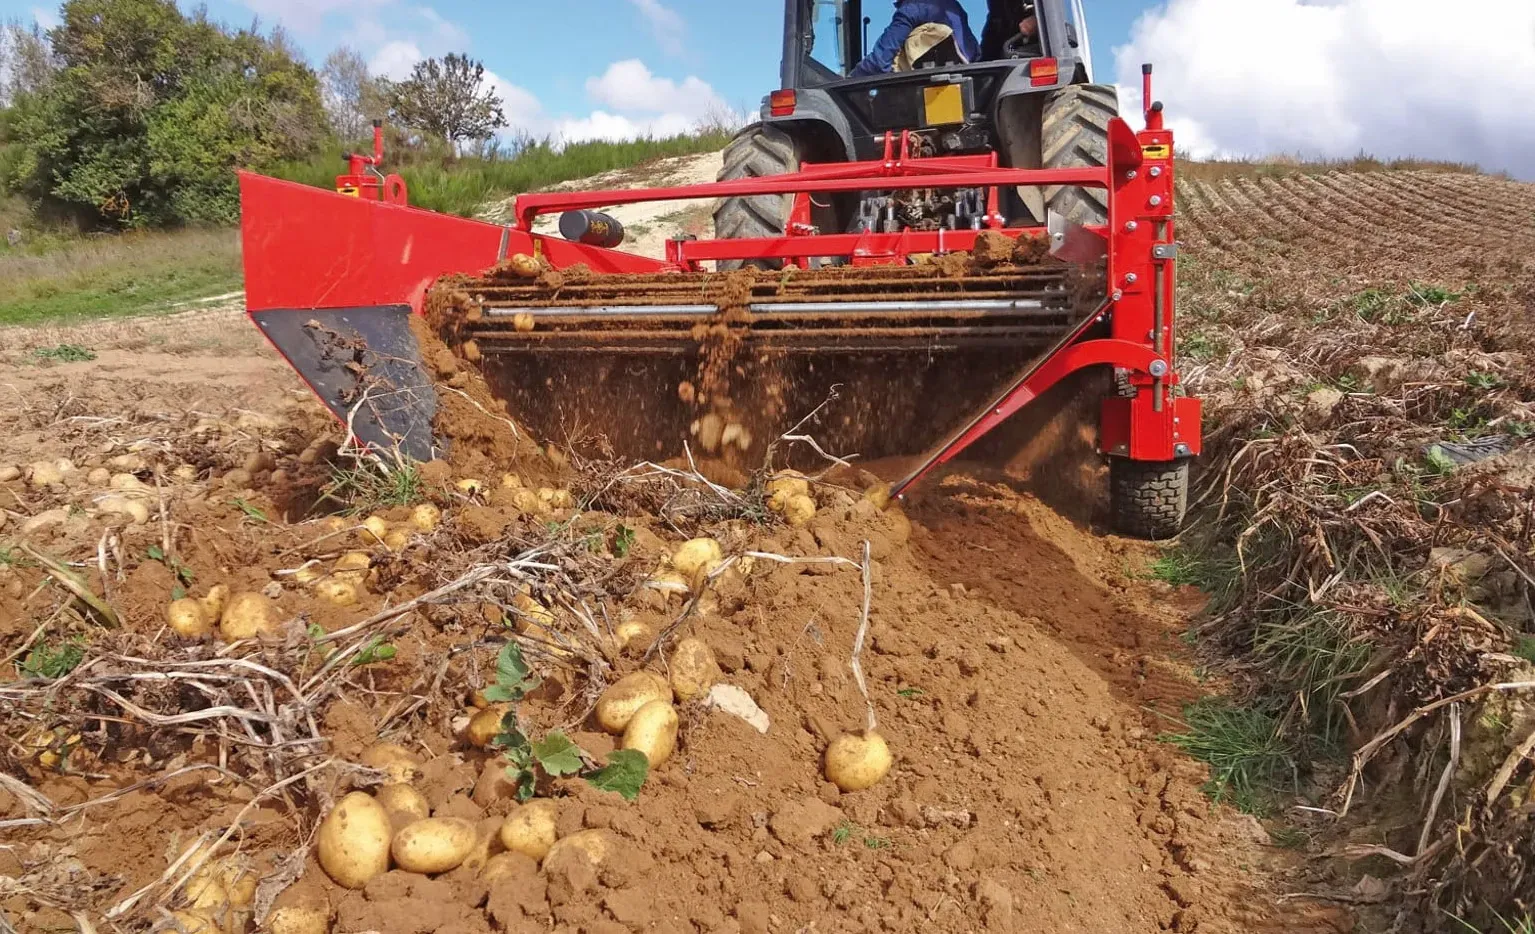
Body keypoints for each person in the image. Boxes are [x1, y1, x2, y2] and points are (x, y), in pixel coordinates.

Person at [850, 0, 981, 77]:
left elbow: (880, 60)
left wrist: (850, 79)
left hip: (920, 86)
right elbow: (976, 52)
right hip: (970, 77)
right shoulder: (953, 6)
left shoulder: (912, 8)